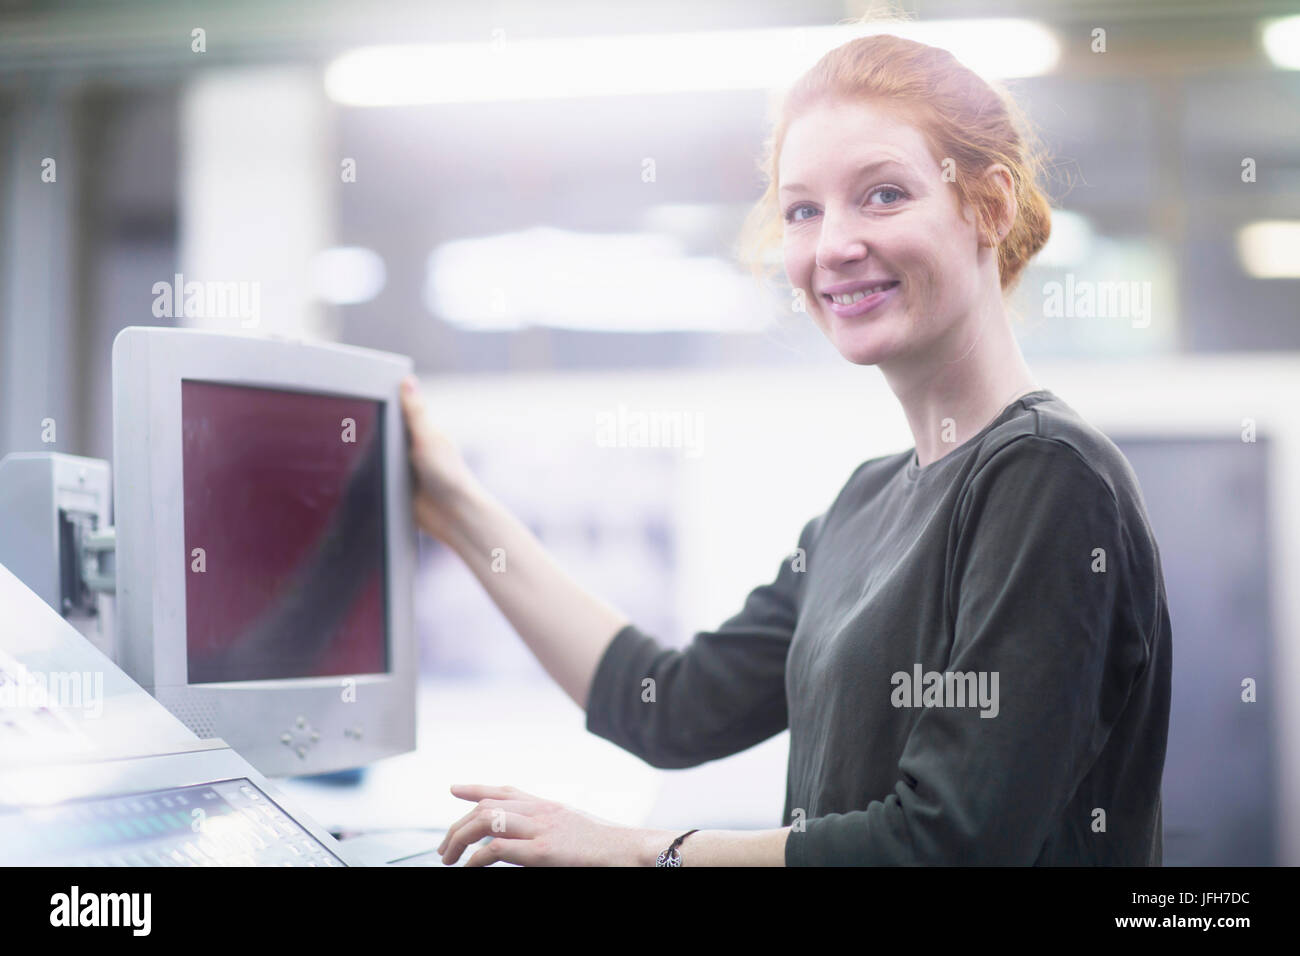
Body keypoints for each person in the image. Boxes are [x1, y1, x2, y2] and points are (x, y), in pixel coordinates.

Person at [402, 32, 1172, 866]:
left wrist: (638, 851)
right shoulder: (864, 504)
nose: (832, 245)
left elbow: (947, 844)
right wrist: (452, 506)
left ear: (989, 205)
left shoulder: (1048, 477)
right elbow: (669, 705)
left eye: (882, 195)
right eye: (804, 209)